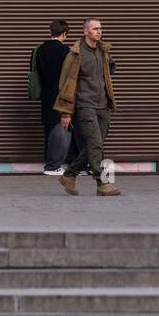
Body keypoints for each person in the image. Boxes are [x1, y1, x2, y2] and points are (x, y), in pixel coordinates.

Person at [54, 18, 121, 197]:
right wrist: (66, 112)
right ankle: (102, 184)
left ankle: (69, 175)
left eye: (101, 28)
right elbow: (65, 83)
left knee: (95, 145)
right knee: (95, 144)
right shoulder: (75, 54)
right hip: (85, 105)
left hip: (103, 105)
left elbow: (108, 72)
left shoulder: (103, 51)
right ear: (85, 31)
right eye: (95, 29)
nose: (99, 32)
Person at [36, 19, 73, 175]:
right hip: (61, 95)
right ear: (64, 33)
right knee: (60, 131)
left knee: (49, 129)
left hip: (45, 94)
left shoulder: (39, 50)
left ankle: (49, 164)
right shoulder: (66, 51)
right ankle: (53, 165)